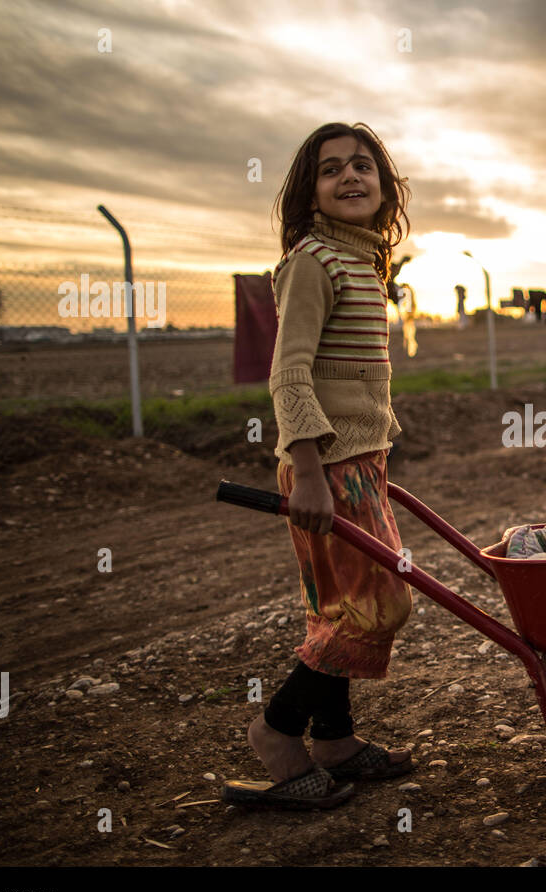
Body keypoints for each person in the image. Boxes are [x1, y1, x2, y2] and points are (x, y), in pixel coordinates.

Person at [223, 122, 415, 810]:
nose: (349, 177)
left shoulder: (363, 263)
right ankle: (277, 733)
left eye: (362, 166)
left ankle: (333, 738)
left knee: (342, 609)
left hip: (357, 462)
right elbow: (290, 372)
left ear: (385, 187)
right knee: (377, 606)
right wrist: (307, 470)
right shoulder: (313, 261)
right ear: (310, 194)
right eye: (330, 170)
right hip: (324, 466)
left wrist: (372, 453)